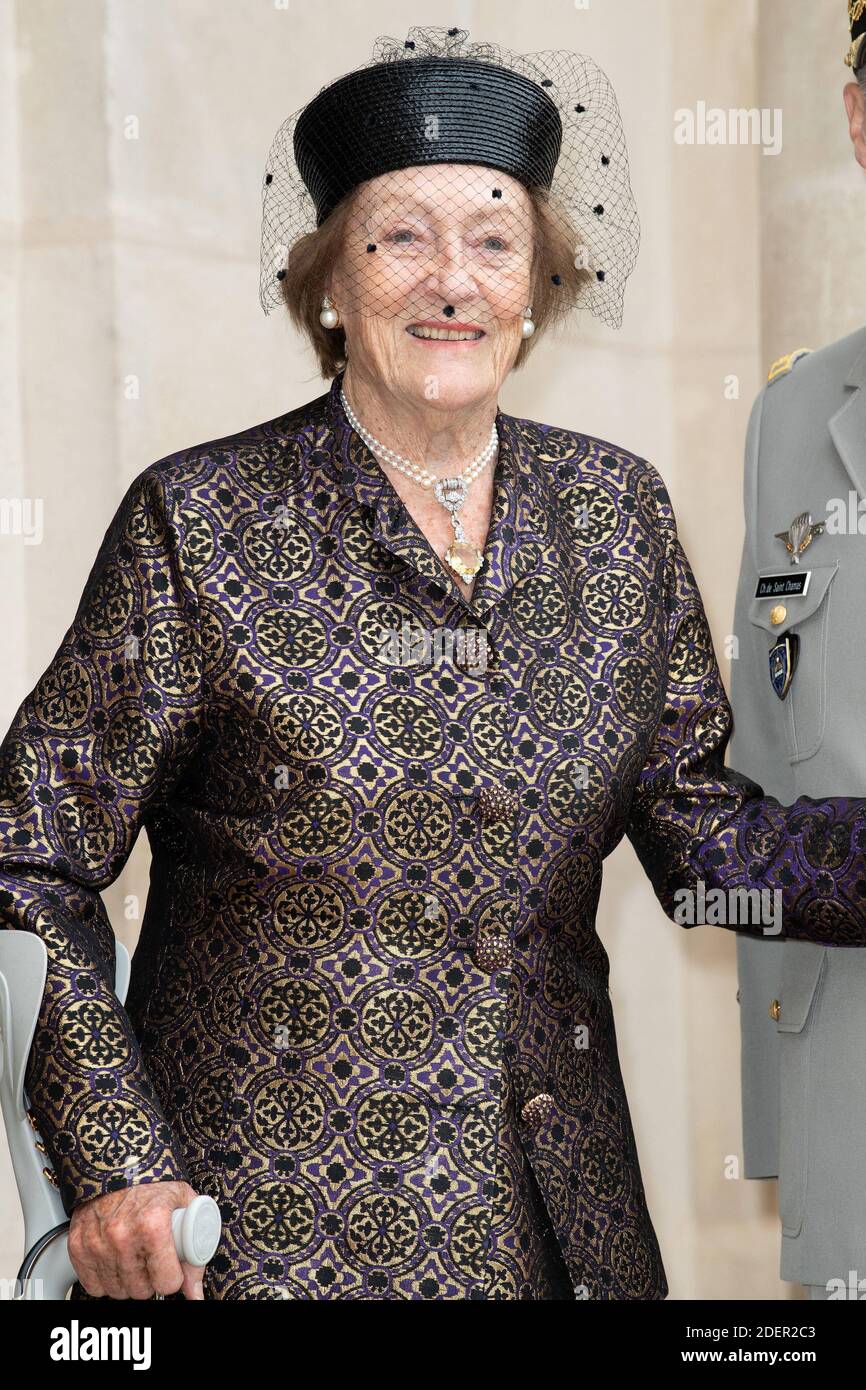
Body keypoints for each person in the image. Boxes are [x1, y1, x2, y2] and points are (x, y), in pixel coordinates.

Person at [2, 23, 866, 1303]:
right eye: (400, 237)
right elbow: (28, 852)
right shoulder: (203, 524)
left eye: (493, 239)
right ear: (330, 284)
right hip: (265, 1242)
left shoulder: (614, 517)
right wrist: (119, 1163)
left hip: (558, 1232)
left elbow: (706, 848)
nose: (450, 280)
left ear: (536, 287)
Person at [728, 1, 866, 1303]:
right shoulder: (792, 414)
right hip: (848, 1106)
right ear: (855, 119)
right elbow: (759, 770)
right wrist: (775, 1127)